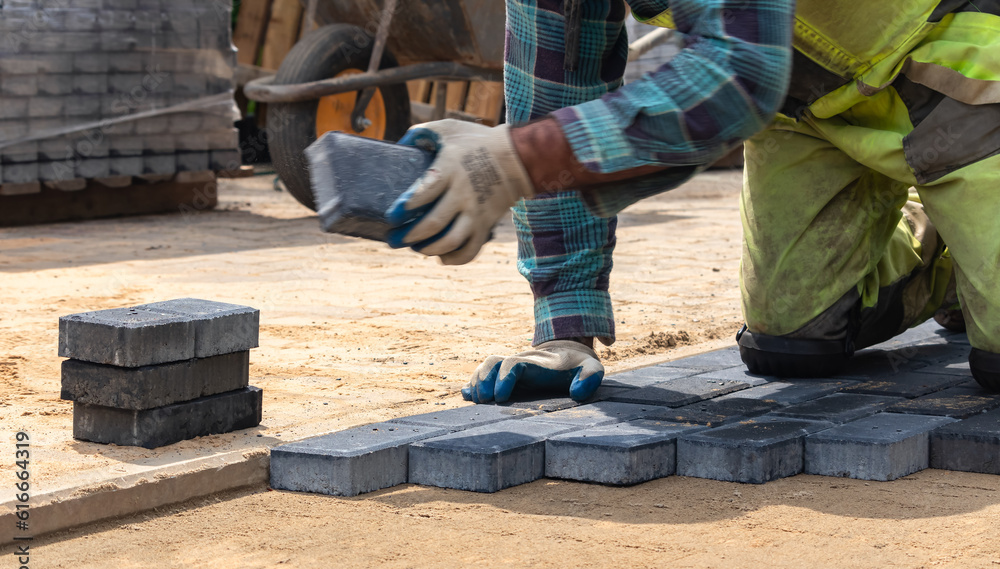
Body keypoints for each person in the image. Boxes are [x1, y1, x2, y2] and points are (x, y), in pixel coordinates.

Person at [383, 0, 1000, 402]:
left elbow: (735, 76)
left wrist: (517, 159)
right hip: (807, 100)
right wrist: (564, 330)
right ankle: (950, 260)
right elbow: (554, 89)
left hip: (959, 59)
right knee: (790, 342)